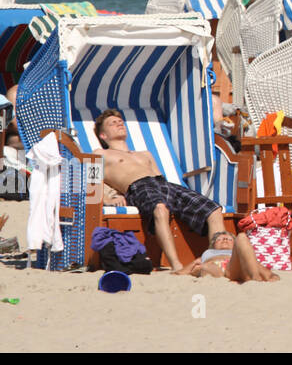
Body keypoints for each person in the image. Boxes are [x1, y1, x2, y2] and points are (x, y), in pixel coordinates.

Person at [93, 109, 226, 274]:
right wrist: (107, 198)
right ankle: (176, 266)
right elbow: (92, 180)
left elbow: (159, 177)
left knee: (214, 209)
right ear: (103, 135)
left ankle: (219, 262)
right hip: (139, 186)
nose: (119, 123)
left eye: (120, 121)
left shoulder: (145, 153)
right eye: (112, 123)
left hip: (164, 185)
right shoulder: (100, 154)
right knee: (160, 208)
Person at [179, 231, 280, 282]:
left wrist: (269, 274)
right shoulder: (209, 252)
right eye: (220, 239)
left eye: (229, 239)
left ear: (234, 244)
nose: (225, 240)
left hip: (234, 265)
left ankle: (256, 278)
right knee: (204, 267)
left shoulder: (237, 251)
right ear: (213, 244)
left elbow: (255, 263)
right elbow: (193, 265)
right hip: (215, 266)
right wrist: (184, 272)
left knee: (242, 236)